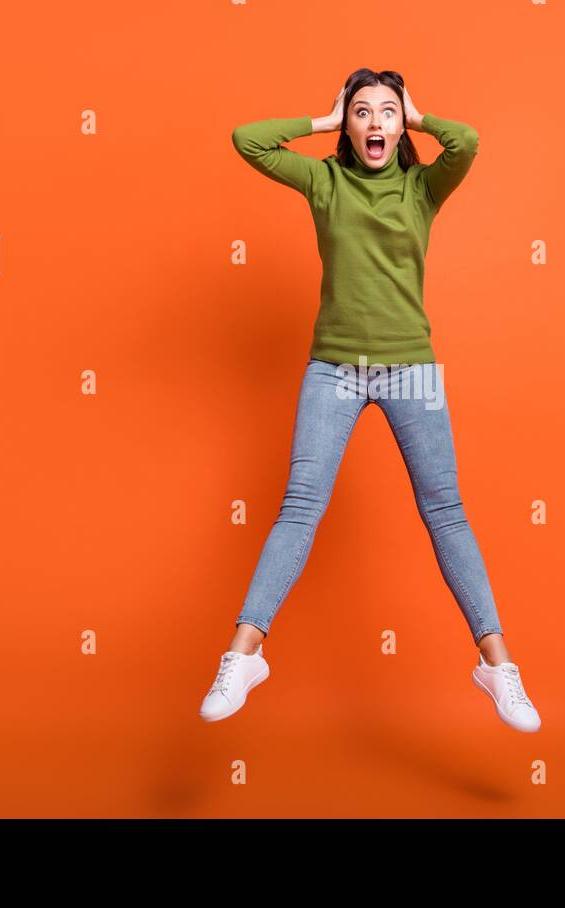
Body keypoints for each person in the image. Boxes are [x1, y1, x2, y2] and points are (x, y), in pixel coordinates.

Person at [200, 68, 540, 733]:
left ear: (401, 125)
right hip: (334, 369)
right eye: (362, 112)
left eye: (387, 112)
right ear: (349, 128)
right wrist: (319, 123)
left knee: (445, 512)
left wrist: (420, 115)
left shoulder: (423, 188)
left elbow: (465, 143)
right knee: (299, 509)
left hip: (410, 367)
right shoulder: (324, 182)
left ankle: (499, 669)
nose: (375, 122)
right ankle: (243, 655)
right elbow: (249, 141)